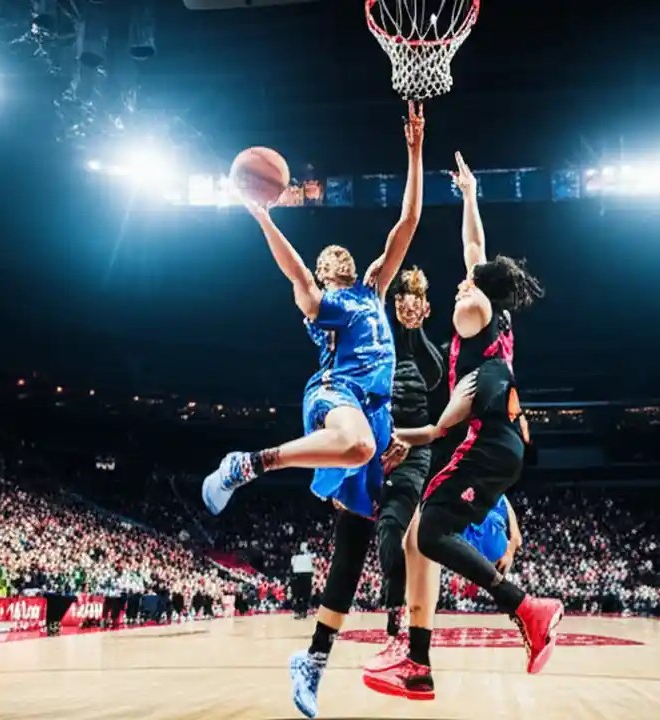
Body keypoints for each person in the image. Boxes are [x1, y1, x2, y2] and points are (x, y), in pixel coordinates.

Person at [201, 102, 426, 719]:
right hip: (334, 394)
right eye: (325, 261)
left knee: (353, 548)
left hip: (375, 419)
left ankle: (314, 660)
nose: (333, 259)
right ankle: (249, 463)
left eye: (337, 257)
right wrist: (262, 216)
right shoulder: (321, 304)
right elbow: (296, 270)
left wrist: (413, 149)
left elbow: (407, 220)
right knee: (353, 445)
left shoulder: (376, 287)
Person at [364, 151, 558, 701]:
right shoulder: (494, 315)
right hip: (500, 443)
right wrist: (470, 196)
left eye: (466, 288)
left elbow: (474, 263)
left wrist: (413, 438)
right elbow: (475, 253)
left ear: (478, 297)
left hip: (489, 443)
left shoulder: (471, 315)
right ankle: (417, 662)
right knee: (417, 536)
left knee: (428, 532)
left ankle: (526, 607)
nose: (459, 288)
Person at [361, 266, 445, 667]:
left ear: (426, 308)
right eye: (402, 300)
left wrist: (417, 328)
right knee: (380, 536)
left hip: (413, 456)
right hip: (375, 451)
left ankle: (395, 622)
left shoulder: (431, 358)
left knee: (394, 528)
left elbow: (434, 377)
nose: (408, 308)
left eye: (416, 302)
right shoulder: (378, 345)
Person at [290, 541, 315, 619]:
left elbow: (292, 565)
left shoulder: (295, 557)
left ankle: (300, 611)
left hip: (299, 576)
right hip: (305, 576)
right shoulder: (309, 556)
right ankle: (302, 611)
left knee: (300, 596)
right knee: (303, 596)